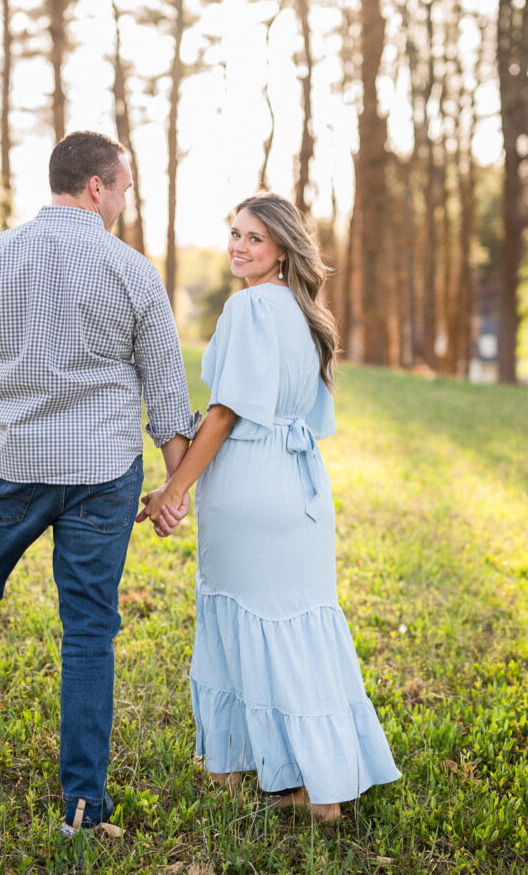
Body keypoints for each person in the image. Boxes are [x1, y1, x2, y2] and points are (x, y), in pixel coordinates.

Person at [0, 130, 199, 838]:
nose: (125, 201)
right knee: (90, 629)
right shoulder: (134, 272)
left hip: (12, 470)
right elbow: (167, 398)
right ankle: (83, 807)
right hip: (104, 478)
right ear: (97, 186)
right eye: (123, 187)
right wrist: (172, 490)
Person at [140, 192, 401, 821]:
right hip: (301, 487)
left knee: (239, 619)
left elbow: (226, 412)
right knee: (300, 625)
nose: (238, 246)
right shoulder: (307, 314)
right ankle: (315, 782)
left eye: (253, 237)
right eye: (233, 234)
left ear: (282, 247)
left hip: (252, 481)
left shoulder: (250, 307)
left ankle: (246, 768)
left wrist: (173, 490)